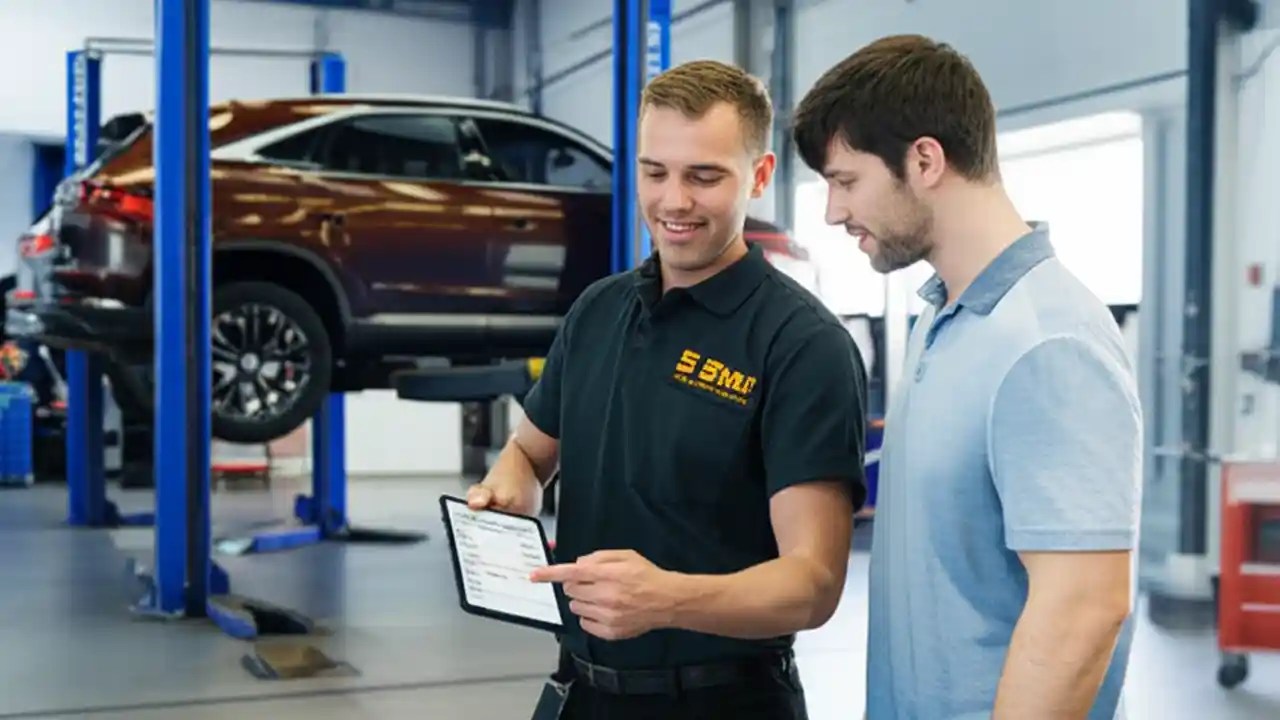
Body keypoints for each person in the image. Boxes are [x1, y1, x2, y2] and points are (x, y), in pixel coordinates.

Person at [467, 59, 868, 720]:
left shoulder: (801, 345)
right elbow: (531, 453)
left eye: (703, 177)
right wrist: (511, 486)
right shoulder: (597, 312)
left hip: (723, 702)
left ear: (759, 176)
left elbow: (814, 582)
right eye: (655, 173)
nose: (674, 201)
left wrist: (668, 600)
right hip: (580, 693)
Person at [791, 35, 1143, 720]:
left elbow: (1084, 610)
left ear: (924, 160)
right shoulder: (942, 314)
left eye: (846, 181)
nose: (833, 211)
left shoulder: (1047, 341)